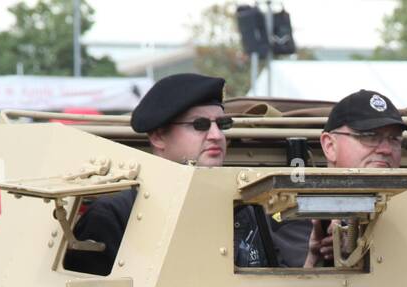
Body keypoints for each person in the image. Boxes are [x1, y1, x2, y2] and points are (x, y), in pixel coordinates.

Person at [64, 73, 276, 275]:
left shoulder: (246, 204)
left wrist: (310, 258)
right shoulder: (113, 213)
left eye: (222, 125)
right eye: (199, 125)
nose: (216, 135)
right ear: (158, 137)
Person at [299, 89, 407, 287]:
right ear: (329, 146)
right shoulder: (297, 206)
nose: (385, 149)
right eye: (369, 136)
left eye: (394, 139)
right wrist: (314, 258)